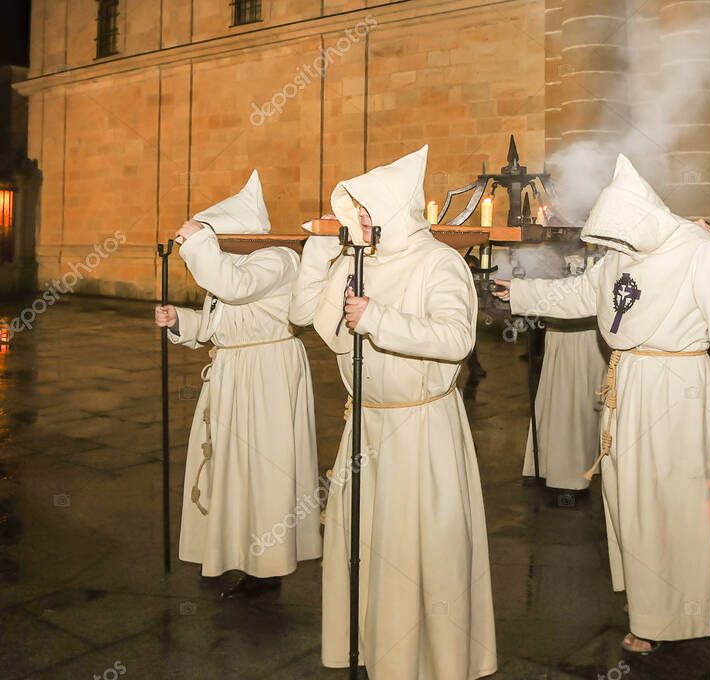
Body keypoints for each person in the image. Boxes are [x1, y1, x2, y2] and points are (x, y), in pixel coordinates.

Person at [495, 155, 710, 654]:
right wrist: (520, 293)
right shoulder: (620, 253)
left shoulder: (700, 254)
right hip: (625, 386)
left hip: (677, 389)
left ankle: (667, 615)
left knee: (674, 504)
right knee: (628, 500)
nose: (614, 248)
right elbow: (584, 294)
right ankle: (650, 602)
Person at [289, 146, 497, 679]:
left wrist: (377, 317)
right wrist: (321, 252)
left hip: (420, 427)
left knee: (417, 546)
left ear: (389, 208)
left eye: (362, 209)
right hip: (366, 422)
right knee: (366, 540)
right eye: (352, 209)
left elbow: (456, 338)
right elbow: (309, 318)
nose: (355, 219)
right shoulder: (358, 261)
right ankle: (371, 646)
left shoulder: (439, 262)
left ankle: (429, 660)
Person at [153, 170, 321, 597]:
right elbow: (218, 324)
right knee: (231, 466)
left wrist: (198, 242)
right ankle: (227, 550)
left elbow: (234, 287)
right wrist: (181, 321)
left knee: (264, 468)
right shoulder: (234, 265)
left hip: (266, 374)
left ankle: (267, 566)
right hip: (233, 372)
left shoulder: (277, 259)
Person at [522, 251, 608, 500]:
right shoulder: (551, 248)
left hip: (591, 334)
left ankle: (578, 470)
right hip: (562, 328)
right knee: (560, 400)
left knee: (582, 403)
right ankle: (556, 467)